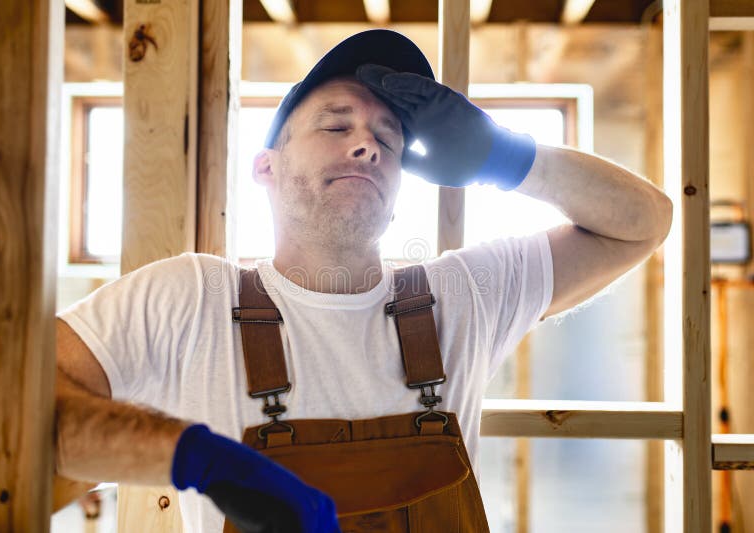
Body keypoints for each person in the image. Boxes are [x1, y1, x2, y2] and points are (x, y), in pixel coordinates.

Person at [54, 30, 672, 532]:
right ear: (266, 168)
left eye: (388, 140)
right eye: (335, 126)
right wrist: (197, 458)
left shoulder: (462, 296)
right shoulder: (191, 299)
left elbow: (643, 223)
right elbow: (31, 400)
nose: (367, 147)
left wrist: (502, 156)